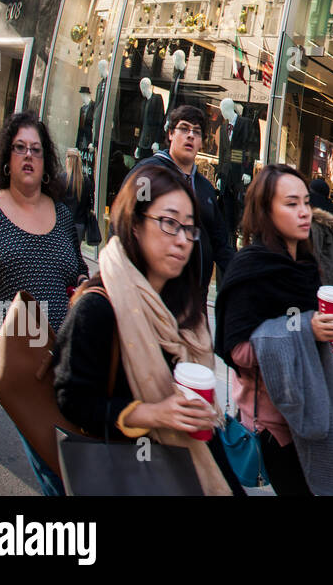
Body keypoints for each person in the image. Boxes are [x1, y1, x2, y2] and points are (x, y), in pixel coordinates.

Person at [53, 163, 240, 495]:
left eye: (189, 228)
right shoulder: (97, 307)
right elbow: (73, 400)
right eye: (169, 223)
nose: (183, 240)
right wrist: (153, 414)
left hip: (194, 464)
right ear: (135, 225)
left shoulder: (184, 307)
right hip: (133, 474)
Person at [215, 164, 333, 496]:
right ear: (265, 212)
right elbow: (238, 351)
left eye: (305, 202)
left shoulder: (306, 264)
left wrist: (330, 343)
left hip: (317, 404)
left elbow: (307, 330)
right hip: (277, 424)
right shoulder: (251, 267)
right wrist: (304, 331)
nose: (304, 212)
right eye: (290, 203)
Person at [0, 111, 86, 495]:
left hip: (64, 361)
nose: (28, 156)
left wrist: (86, 284)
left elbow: (76, 271)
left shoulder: (62, 215)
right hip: (20, 364)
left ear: (45, 161)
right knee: (53, 466)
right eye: (19, 149)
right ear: (8, 159)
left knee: (76, 462)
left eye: (35, 149)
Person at [135, 105, 233, 291]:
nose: (190, 135)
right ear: (170, 133)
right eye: (184, 128)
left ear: (202, 142)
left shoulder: (206, 189)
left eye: (196, 132)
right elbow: (128, 221)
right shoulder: (147, 175)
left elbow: (220, 243)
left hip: (194, 301)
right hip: (152, 293)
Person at [64, 148, 96, 246]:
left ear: (68, 160)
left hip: (63, 224)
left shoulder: (61, 179)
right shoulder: (86, 181)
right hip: (80, 225)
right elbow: (90, 204)